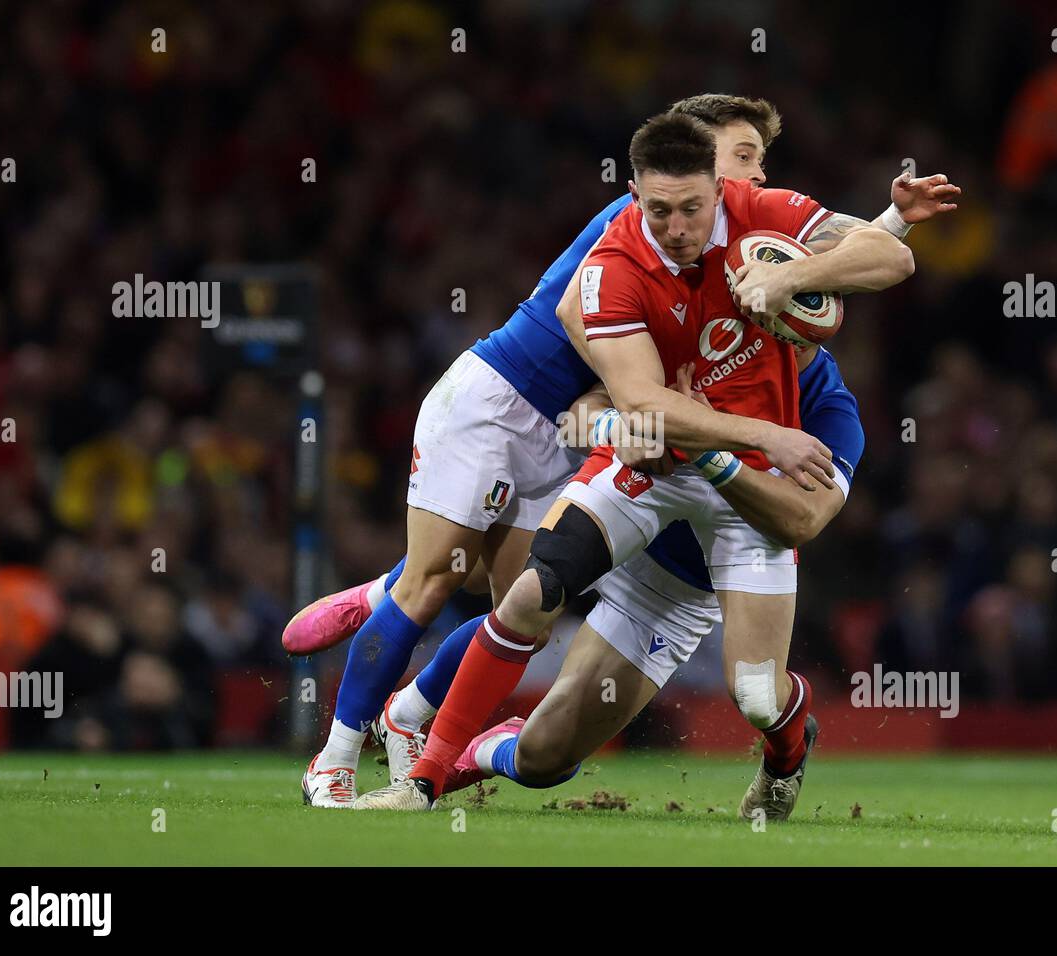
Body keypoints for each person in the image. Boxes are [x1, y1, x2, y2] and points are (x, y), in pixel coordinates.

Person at [363, 111, 918, 817]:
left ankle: (786, 745)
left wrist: (788, 287)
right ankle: (424, 777)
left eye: (693, 210)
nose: (678, 227)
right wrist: (626, 424)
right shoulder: (618, 264)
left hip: (686, 578)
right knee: (534, 590)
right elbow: (608, 401)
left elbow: (803, 518)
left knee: (691, 713)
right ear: (637, 196)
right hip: (652, 481)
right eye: (661, 210)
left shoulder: (823, 392)